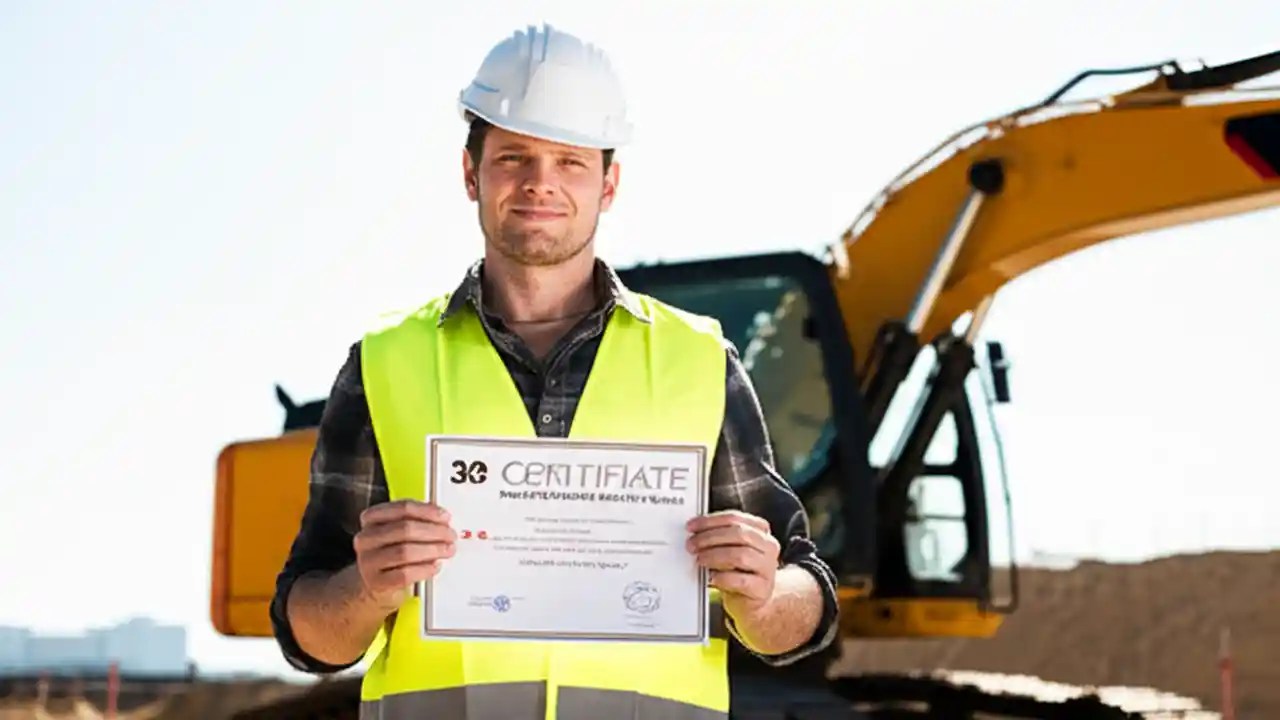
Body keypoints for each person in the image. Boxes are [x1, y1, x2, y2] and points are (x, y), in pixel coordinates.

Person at [270, 23, 840, 720]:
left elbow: (806, 597)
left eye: (570, 161)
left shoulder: (700, 363)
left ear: (610, 183)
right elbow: (308, 628)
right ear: (470, 172)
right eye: (514, 157)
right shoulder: (386, 363)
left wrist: (763, 595)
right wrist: (366, 588)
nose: (541, 184)